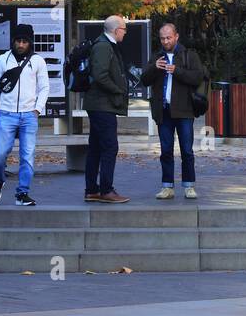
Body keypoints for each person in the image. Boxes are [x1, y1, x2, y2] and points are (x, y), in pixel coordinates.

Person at [0, 25, 49, 207]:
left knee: (27, 156)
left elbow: (44, 87)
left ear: (30, 42)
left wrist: (37, 109)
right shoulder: (2, 60)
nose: (21, 44)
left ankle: (22, 193)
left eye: (24, 41)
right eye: (18, 41)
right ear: (13, 41)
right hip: (7, 114)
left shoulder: (37, 61)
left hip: (29, 115)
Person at [140, 22, 204, 200]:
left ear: (176, 36)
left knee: (187, 150)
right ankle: (167, 187)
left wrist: (177, 71)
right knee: (166, 150)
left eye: (168, 37)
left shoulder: (188, 55)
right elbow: (144, 79)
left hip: (184, 110)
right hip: (164, 111)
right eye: (162, 38)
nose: (165, 41)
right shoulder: (157, 56)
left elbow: (198, 77)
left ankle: (189, 186)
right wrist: (154, 68)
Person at [83, 14, 130, 203]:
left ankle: (92, 190)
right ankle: (106, 190)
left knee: (95, 147)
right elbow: (100, 75)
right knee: (110, 147)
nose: (125, 33)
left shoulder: (104, 44)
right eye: (124, 30)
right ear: (116, 30)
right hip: (102, 105)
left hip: (99, 104)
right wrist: (118, 90)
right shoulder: (103, 46)